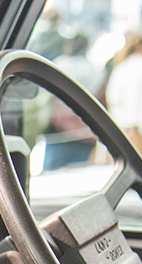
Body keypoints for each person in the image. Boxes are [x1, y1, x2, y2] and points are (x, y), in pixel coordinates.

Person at [44, 34, 102, 170]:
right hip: (84, 130)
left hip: (58, 129)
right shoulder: (94, 70)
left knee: (51, 174)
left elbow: (49, 98)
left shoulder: (59, 64)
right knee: (77, 173)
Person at [104, 33, 142, 160]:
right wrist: (136, 123)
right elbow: (139, 97)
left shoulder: (121, 67)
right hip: (140, 125)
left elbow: (113, 96)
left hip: (123, 122)